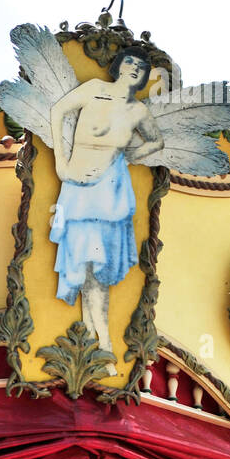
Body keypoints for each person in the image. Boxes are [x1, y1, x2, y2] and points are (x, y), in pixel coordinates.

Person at [48, 48, 163, 360]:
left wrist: (126, 158)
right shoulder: (96, 89)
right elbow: (58, 110)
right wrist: (62, 163)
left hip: (111, 190)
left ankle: (100, 343)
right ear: (118, 66)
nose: (134, 68)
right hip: (79, 183)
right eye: (129, 61)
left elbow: (156, 140)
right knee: (85, 264)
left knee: (97, 269)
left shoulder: (138, 111)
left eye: (141, 66)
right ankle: (97, 343)